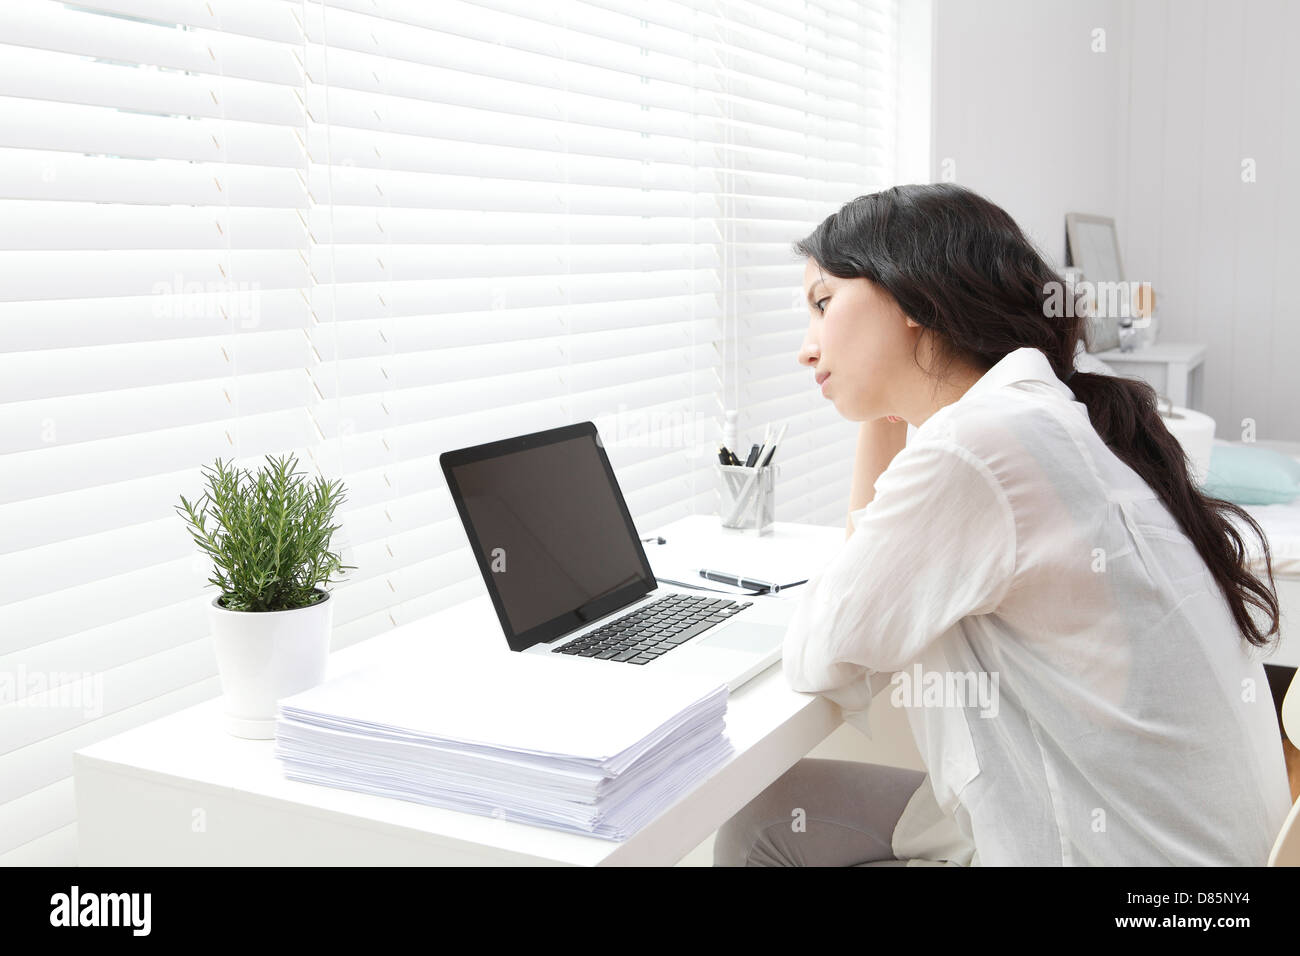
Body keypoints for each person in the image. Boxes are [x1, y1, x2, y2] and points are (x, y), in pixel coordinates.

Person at [713, 183, 1292, 866]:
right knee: (768, 816)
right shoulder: (1034, 417)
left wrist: (881, 418)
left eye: (823, 305)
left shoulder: (975, 450)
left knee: (760, 829)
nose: (806, 349)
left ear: (910, 297)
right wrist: (886, 411)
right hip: (1207, 858)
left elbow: (823, 654)